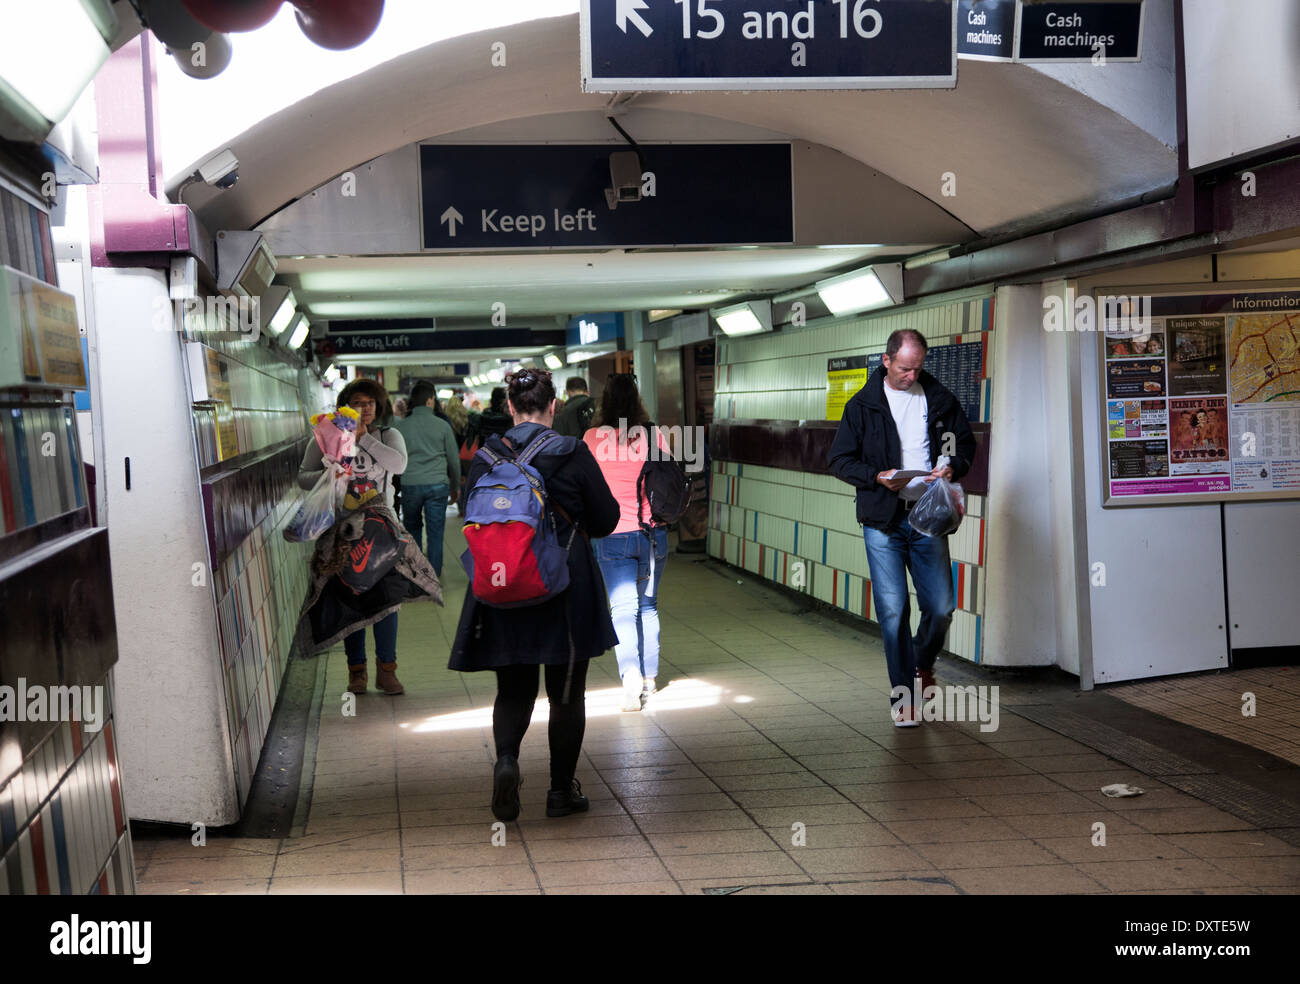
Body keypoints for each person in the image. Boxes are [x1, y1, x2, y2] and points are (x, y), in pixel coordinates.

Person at [450, 367, 619, 822]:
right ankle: (561, 793)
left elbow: (472, 517)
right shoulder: (571, 451)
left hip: (505, 583)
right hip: (565, 585)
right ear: (554, 406)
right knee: (566, 695)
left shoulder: (487, 456)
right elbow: (605, 518)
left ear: (509, 407)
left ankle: (507, 761)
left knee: (513, 686)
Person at [828, 329, 976, 727]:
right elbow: (839, 460)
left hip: (928, 516)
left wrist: (951, 466)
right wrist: (877, 476)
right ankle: (903, 696)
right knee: (893, 610)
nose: (912, 376)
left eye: (917, 368)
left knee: (942, 606)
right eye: (905, 369)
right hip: (882, 521)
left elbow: (963, 445)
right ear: (887, 361)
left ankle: (921, 662)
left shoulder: (940, 398)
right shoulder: (862, 405)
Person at [298, 378, 411, 695]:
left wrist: (365, 439)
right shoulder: (326, 438)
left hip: (383, 532)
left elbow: (399, 465)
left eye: (371, 403)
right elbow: (303, 477)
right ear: (344, 407)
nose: (365, 409)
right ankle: (356, 672)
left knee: (387, 603)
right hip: (343, 533)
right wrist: (328, 471)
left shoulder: (389, 435)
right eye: (358, 403)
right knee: (351, 603)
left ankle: (387, 670)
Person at [583, 373, 671, 712]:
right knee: (648, 607)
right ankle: (650, 678)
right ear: (637, 400)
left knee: (622, 610)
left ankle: (630, 680)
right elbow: (668, 475)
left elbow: (584, 482)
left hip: (611, 534)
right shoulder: (653, 435)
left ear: (604, 401)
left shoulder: (592, 437)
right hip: (652, 533)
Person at [392, 380, 460, 577]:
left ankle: (417, 577)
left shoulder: (401, 427)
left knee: (412, 532)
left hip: (410, 485)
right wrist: (455, 487)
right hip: (437, 485)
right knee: (435, 534)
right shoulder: (442, 426)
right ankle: (433, 579)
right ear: (430, 400)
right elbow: (454, 461)